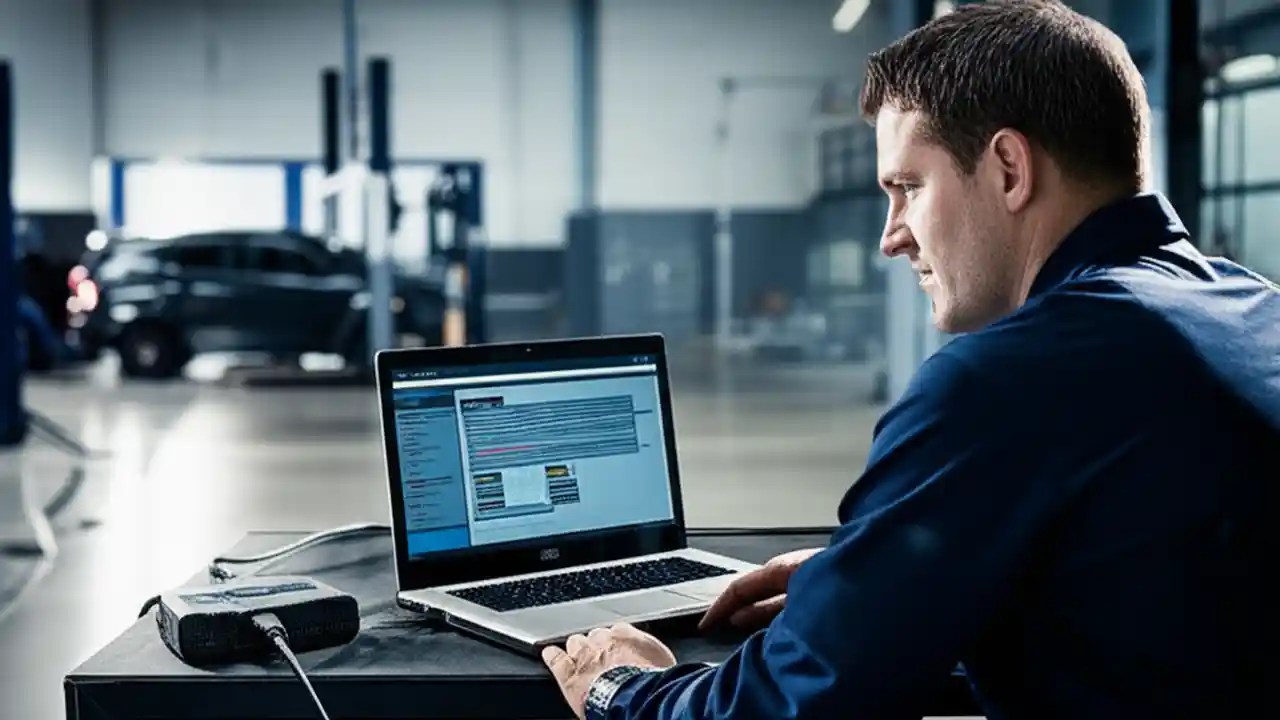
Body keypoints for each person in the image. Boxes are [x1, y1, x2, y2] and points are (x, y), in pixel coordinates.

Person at [541, 1, 1280, 718]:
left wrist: (623, 690)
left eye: (908, 187)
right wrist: (882, 582)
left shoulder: (1006, 380)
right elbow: (1168, 594)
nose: (892, 236)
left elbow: (792, 708)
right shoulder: (1253, 310)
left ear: (1010, 169)